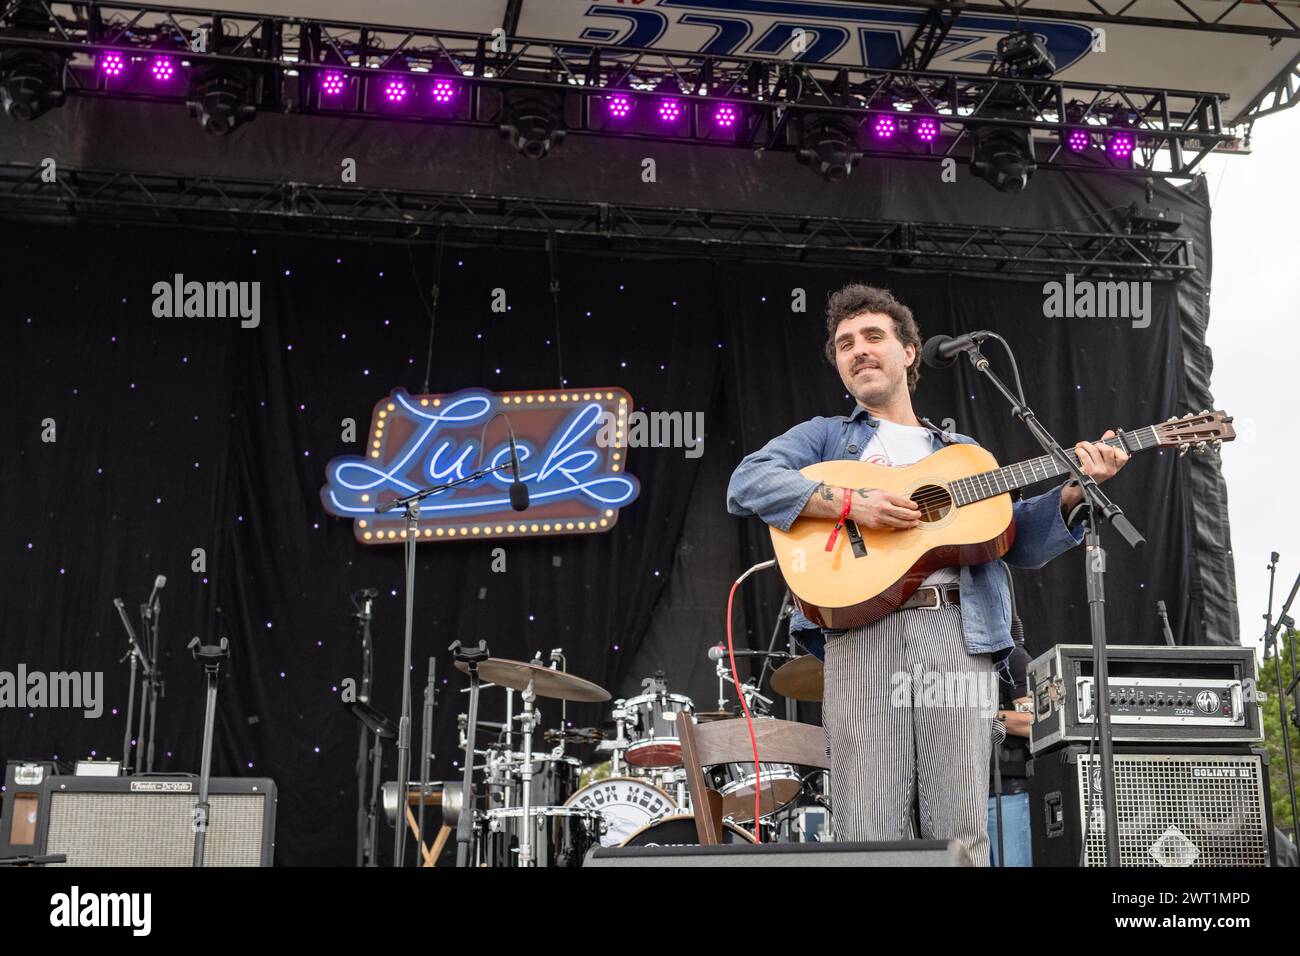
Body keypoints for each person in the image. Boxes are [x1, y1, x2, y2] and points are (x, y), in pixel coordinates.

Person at [725, 283, 1128, 865]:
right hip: (860, 632)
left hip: (957, 633)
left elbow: (1011, 538)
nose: (858, 350)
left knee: (959, 823)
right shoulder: (827, 436)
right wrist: (850, 503)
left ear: (909, 352)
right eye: (845, 344)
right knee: (869, 820)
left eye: (873, 337)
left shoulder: (963, 453)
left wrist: (1070, 495)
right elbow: (747, 482)